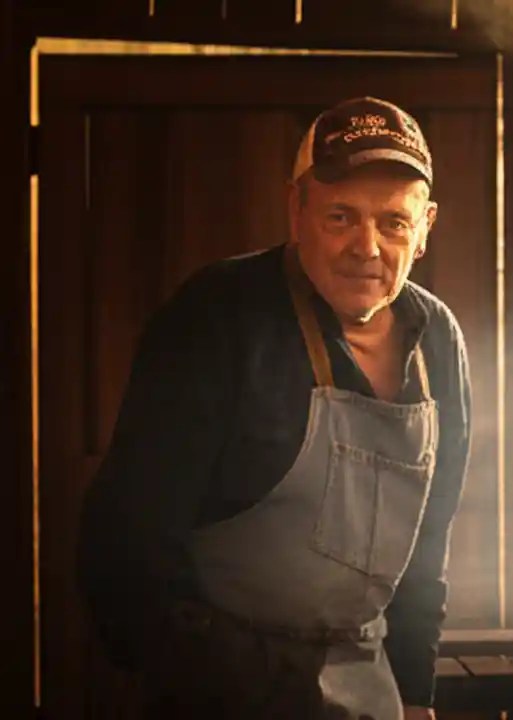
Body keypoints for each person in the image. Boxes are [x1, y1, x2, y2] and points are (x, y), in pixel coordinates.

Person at [77, 96, 471, 720]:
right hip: (219, 687)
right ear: (297, 209)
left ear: (425, 229)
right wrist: (204, 673)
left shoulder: (437, 339)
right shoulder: (218, 316)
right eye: (341, 216)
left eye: (393, 222)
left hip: (366, 685)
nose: (367, 246)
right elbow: (126, 539)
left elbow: (429, 543)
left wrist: (417, 694)